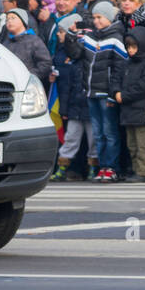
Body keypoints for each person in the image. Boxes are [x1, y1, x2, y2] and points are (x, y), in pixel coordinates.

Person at [84, 1, 127, 183]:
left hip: (106, 93)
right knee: (98, 133)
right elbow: (78, 55)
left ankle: (112, 167)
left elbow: (119, 69)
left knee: (110, 133)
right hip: (91, 92)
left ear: (108, 18)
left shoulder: (116, 38)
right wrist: (71, 35)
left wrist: (113, 92)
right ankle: (102, 166)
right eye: (94, 18)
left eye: (100, 17)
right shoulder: (91, 37)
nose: (96, 21)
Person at [117, 26, 145, 183]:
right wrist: (116, 92)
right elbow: (117, 79)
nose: (131, 50)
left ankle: (144, 171)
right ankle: (136, 170)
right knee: (132, 144)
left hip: (143, 109)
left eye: (134, 46)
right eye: (128, 47)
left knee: (143, 144)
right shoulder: (127, 64)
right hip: (128, 110)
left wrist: (124, 95)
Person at [53, 12, 90, 181]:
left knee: (94, 139)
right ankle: (62, 167)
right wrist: (64, 108)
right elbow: (66, 86)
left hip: (88, 102)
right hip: (74, 103)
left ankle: (93, 167)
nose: (59, 35)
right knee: (71, 138)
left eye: (61, 32)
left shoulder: (82, 53)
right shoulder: (61, 53)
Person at [1, 8, 52, 81]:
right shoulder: (5, 43)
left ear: (23, 21)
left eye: (13, 18)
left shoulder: (34, 41)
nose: (9, 21)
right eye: (7, 19)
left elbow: (45, 63)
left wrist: (29, 76)